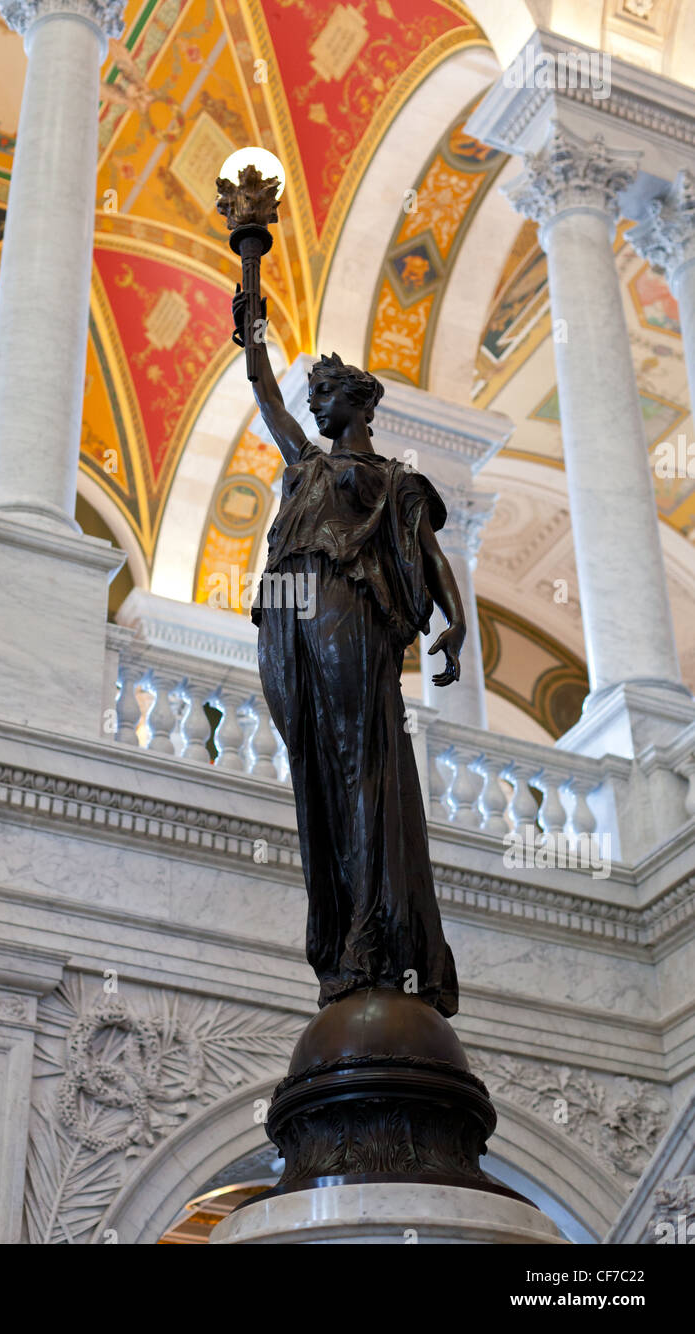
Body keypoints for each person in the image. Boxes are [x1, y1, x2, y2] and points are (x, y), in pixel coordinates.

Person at [232, 289, 465, 1015]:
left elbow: (428, 557)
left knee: (356, 758)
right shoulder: (303, 461)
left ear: (359, 405)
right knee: (316, 769)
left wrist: (455, 622)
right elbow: (267, 396)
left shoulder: (390, 480)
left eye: (326, 394)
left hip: (344, 603)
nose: (315, 405)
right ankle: (340, 929)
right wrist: (254, 332)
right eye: (315, 395)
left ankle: (369, 933)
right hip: (288, 613)